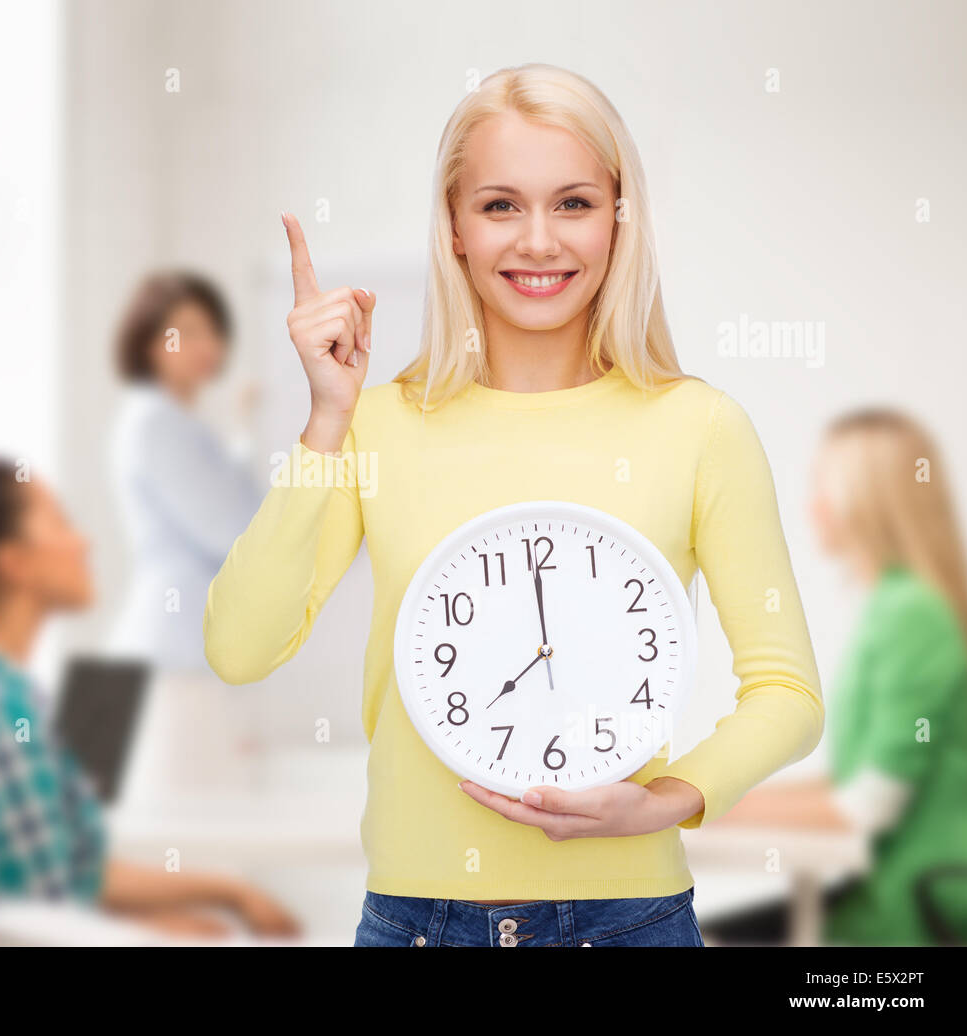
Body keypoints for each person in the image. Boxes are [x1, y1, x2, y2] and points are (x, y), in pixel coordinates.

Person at [204, 63, 823, 947]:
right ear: (454, 228)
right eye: (500, 206)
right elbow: (238, 646)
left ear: (620, 218)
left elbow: (788, 691)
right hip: (418, 922)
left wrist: (660, 803)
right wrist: (328, 418)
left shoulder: (700, 427)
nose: (538, 241)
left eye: (572, 203)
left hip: (630, 920)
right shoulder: (375, 425)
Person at [0, 455, 298, 938]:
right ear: (13, 563)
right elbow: (38, 928)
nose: (83, 541)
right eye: (59, 523)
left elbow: (68, 877)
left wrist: (226, 892)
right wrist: (173, 933)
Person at [707, 409, 967, 945]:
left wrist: (697, 808)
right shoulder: (895, 605)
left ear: (870, 503)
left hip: (918, 906)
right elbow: (856, 781)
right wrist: (706, 799)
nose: (812, 507)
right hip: (890, 893)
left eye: (825, 488)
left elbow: (867, 806)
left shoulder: (911, 614)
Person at [105, 271, 267, 803]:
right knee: (193, 839)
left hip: (171, 659)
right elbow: (235, 530)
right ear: (149, 341)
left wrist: (246, 434)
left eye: (211, 331)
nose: (207, 346)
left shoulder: (171, 421)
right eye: (185, 332)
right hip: (171, 664)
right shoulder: (156, 422)